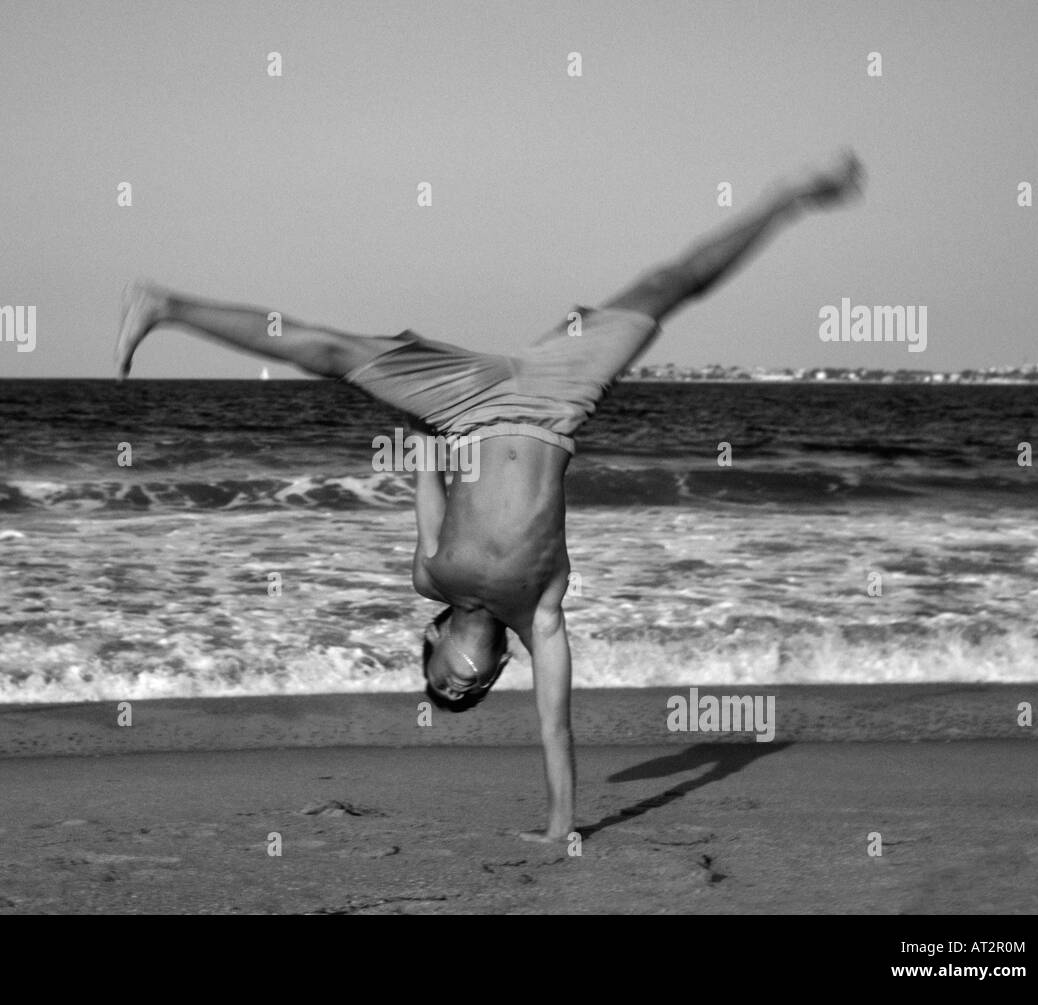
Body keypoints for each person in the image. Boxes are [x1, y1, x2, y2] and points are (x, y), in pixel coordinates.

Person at [115, 150, 866, 842]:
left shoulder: (431, 575)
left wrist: (403, 396)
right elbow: (556, 729)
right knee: (667, 289)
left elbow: (423, 461)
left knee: (336, 354)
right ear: (501, 670)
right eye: (470, 693)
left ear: (434, 639)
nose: (462, 682)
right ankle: (787, 200)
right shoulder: (540, 618)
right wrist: (561, 825)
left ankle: (167, 303)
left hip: (465, 406)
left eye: (442, 681)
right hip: (557, 400)